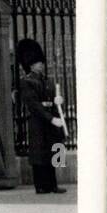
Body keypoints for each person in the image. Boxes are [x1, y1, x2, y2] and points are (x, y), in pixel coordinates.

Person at [17, 38, 67, 195]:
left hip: (49, 118)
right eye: (38, 62)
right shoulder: (26, 82)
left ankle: (52, 184)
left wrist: (59, 101)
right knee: (39, 154)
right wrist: (51, 118)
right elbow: (34, 105)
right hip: (38, 121)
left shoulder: (46, 80)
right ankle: (40, 185)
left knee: (52, 152)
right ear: (31, 65)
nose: (41, 64)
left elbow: (52, 98)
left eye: (41, 62)